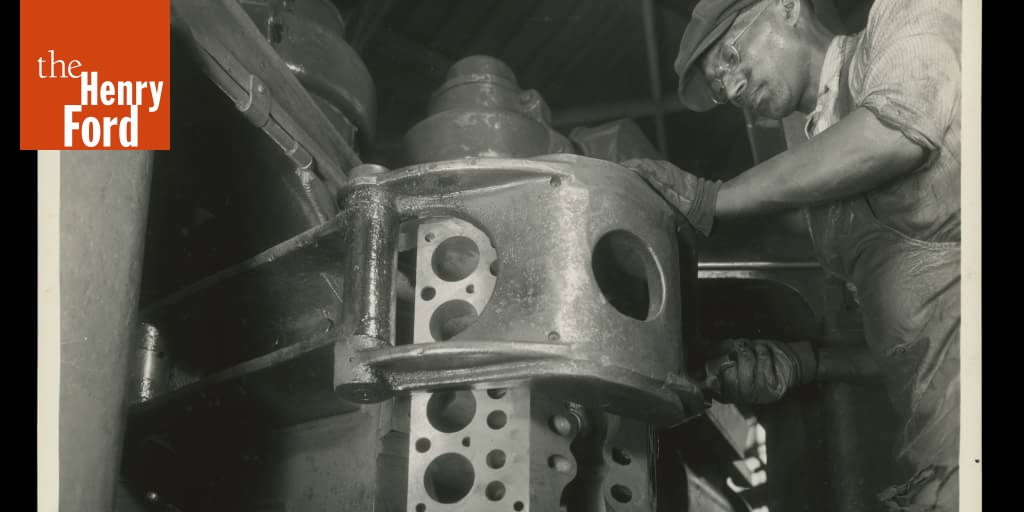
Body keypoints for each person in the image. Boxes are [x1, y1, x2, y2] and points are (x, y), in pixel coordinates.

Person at [620, 0, 962, 510]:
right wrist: (804, 364)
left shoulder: (907, 18)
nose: (732, 89)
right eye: (720, 89)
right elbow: (913, 345)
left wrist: (713, 199)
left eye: (731, 57)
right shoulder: (826, 210)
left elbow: (896, 132)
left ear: (785, 6)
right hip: (938, 440)